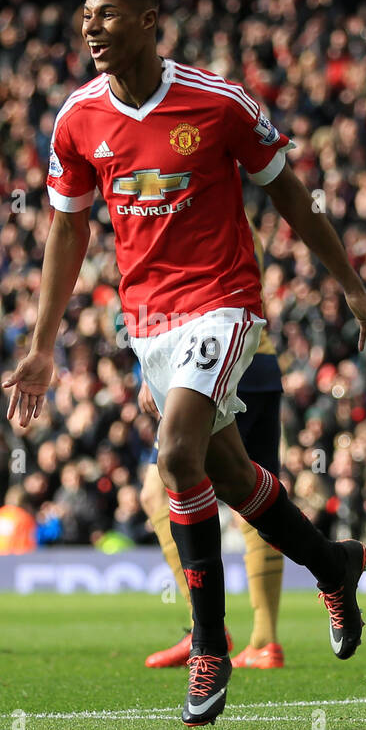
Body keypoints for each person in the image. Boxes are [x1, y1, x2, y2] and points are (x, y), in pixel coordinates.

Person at [3, 0, 366, 725]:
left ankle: (211, 647)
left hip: (222, 306)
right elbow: (67, 226)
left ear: (150, 21)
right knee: (230, 476)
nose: (91, 28)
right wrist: (42, 344)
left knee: (176, 456)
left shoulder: (217, 103)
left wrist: (351, 286)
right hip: (145, 324)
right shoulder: (78, 118)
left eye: (110, 15)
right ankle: (334, 563)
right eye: (87, 15)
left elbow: (288, 190)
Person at [141, 226, 286, 670]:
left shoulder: (187, 203)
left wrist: (151, 372)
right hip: (257, 361)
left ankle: (204, 625)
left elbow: (171, 293)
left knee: (158, 490)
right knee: (255, 496)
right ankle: (264, 639)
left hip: (209, 363)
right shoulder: (240, 216)